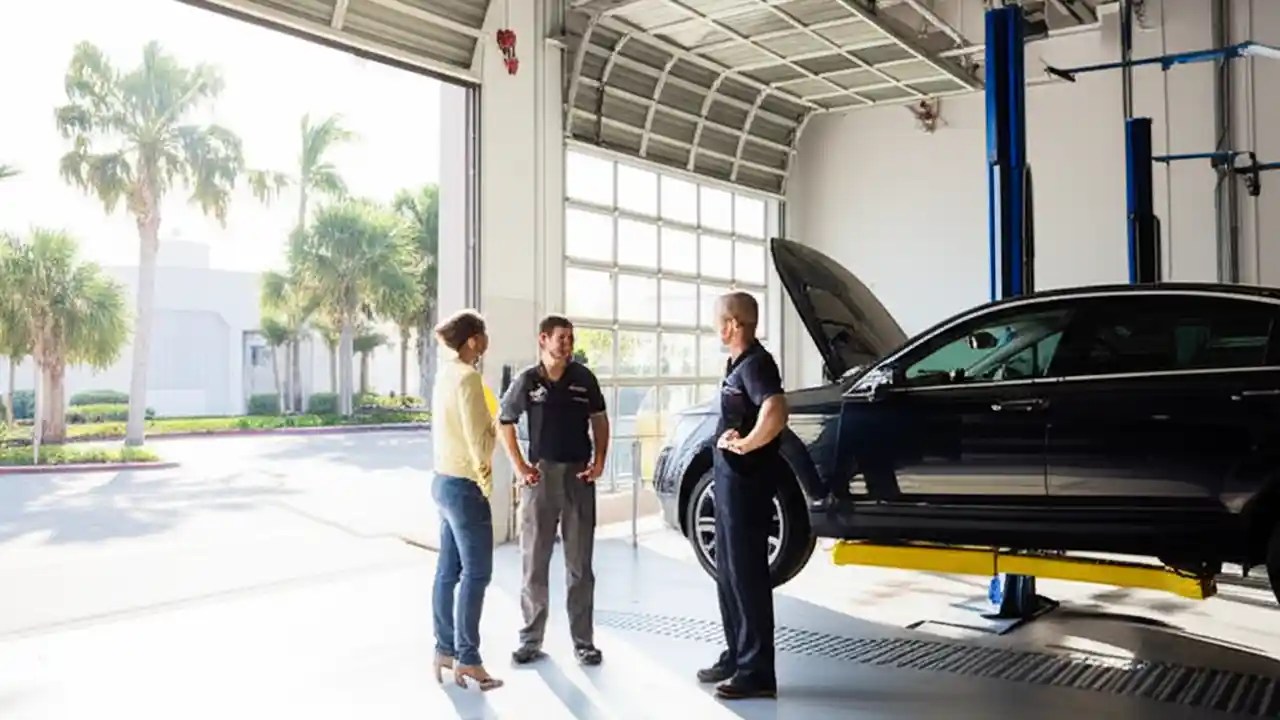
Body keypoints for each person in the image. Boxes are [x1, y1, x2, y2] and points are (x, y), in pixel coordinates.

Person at [497, 314, 610, 666]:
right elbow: (505, 422)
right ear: (543, 339)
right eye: (561, 338)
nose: (567, 344)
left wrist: (601, 459)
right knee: (535, 562)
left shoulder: (584, 378)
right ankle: (531, 639)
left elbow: (600, 419)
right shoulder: (527, 381)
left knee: (580, 565)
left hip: (579, 476)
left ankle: (583, 643)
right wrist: (520, 467)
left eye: (570, 338)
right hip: (540, 477)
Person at [697, 292, 789, 700]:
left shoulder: (756, 364)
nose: (715, 327)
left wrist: (749, 444)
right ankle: (737, 653)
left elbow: (776, 409)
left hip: (748, 486)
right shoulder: (736, 364)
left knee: (747, 575)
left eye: (718, 321)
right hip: (731, 485)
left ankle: (757, 671)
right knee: (729, 572)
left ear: (731, 324)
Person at [430, 309, 503, 691]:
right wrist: (486, 480)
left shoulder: (445, 375)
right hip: (465, 487)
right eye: (484, 332)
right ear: (473, 339)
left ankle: (444, 651)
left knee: (448, 572)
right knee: (477, 574)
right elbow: (479, 440)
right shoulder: (470, 378)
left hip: (442, 481)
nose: (487, 339)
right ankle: (469, 660)